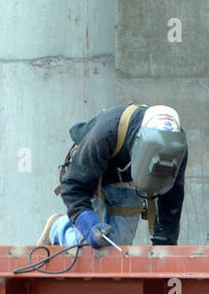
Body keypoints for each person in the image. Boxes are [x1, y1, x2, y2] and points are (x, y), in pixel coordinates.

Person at [42, 103, 188, 249]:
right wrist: (87, 223)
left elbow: (172, 197)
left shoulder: (176, 147)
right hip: (92, 177)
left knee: (116, 252)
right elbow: (72, 186)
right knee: (89, 248)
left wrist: (164, 244)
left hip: (130, 180)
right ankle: (59, 227)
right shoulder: (106, 133)